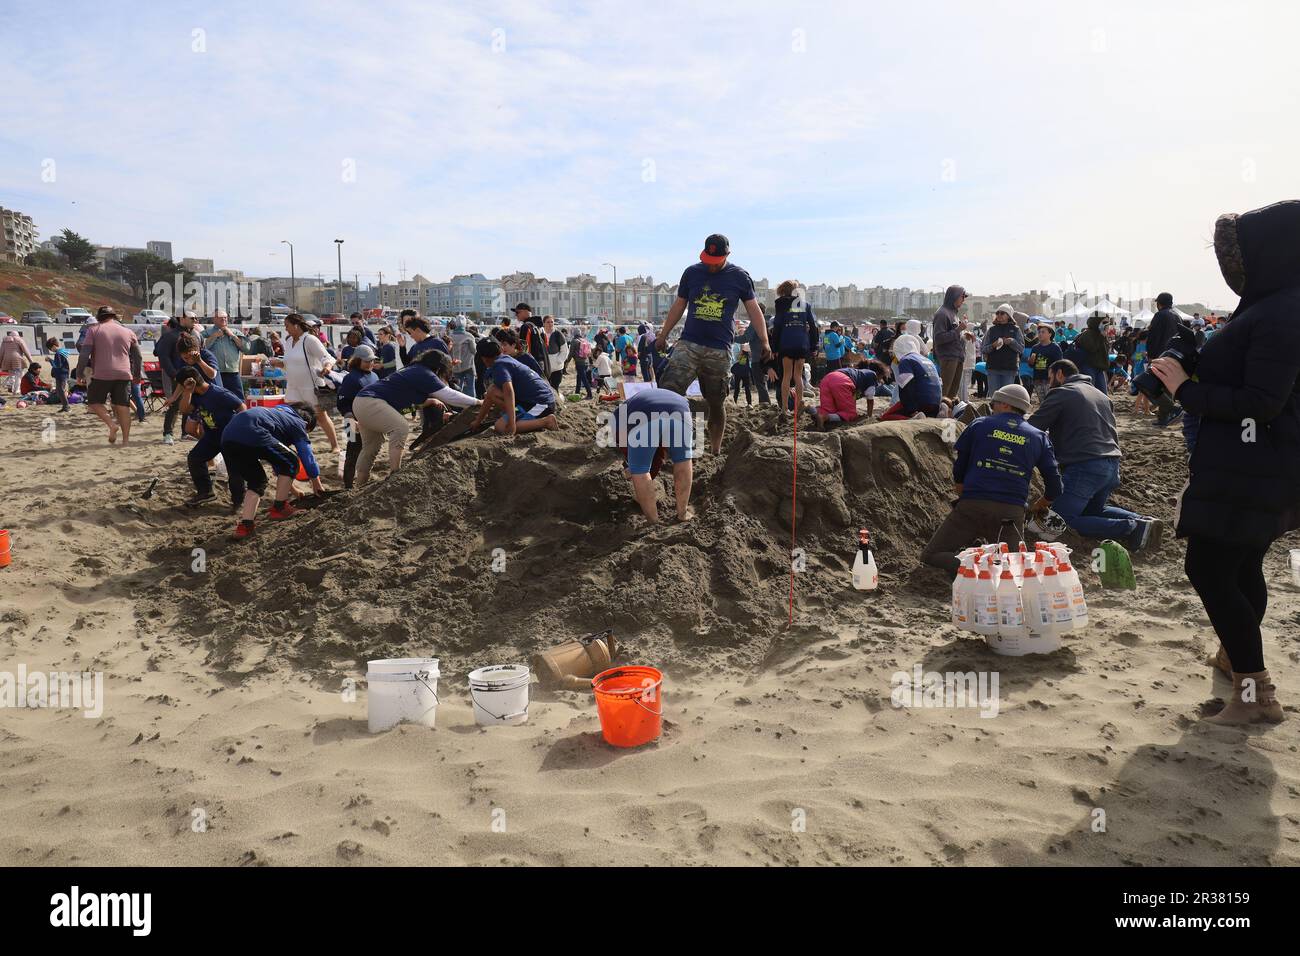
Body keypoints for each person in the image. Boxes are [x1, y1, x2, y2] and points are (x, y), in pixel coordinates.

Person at [1152, 200, 1300, 724]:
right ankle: (1240, 661)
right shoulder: (1272, 303)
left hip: (1253, 468)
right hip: (1257, 465)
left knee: (1209, 568)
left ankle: (1255, 695)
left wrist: (1187, 390)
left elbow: (1263, 402)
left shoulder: (1282, 310)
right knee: (1240, 566)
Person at [920, 384, 1062, 573]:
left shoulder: (979, 425)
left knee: (932, 555)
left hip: (972, 505)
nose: (992, 408)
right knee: (1017, 568)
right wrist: (1040, 505)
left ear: (1005, 404)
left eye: (994, 403)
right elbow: (1055, 485)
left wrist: (964, 495)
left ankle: (973, 566)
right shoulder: (1039, 437)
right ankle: (994, 569)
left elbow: (959, 469)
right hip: (1011, 512)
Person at [655, 234, 772, 454]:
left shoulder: (739, 277)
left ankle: (715, 449)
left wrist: (765, 340)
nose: (711, 266)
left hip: (719, 349)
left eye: (715, 261)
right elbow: (679, 305)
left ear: (726, 255)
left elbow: (754, 310)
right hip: (689, 343)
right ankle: (668, 444)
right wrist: (663, 335)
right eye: (708, 260)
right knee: (667, 390)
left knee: (716, 402)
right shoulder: (692, 273)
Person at [1028, 360, 1160, 550]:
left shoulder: (1062, 393)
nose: (1049, 383)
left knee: (1061, 522)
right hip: (1112, 463)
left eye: (1050, 378)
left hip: (1084, 466)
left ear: (1059, 374)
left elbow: (1032, 428)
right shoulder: (1101, 395)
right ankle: (1143, 521)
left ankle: (1131, 527)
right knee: (1093, 511)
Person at [351, 350, 479, 486]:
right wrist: (478, 402)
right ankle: (395, 474)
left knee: (371, 447)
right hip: (371, 402)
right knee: (400, 427)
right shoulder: (425, 373)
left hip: (361, 402)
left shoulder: (413, 370)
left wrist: (430, 401)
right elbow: (450, 395)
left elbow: (405, 399)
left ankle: (359, 485)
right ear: (439, 368)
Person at [221, 402, 326, 539]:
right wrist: (316, 484)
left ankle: (245, 526)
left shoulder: (276, 415)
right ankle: (280, 508)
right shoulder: (298, 422)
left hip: (227, 438)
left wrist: (293, 490)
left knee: (257, 481)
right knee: (293, 460)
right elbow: (306, 455)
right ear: (306, 424)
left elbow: (278, 462)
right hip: (252, 432)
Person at [612, 386, 695, 524]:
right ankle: (683, 513)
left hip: (643, 417)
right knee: (683, 460)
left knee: (640, 470)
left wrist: (632, 466)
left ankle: (653, 521)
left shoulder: (619, 414)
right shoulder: (677, 397)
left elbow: (624, 443)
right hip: (680, 411)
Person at [172, 367, 247, 507]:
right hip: (212, 436)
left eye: (182, 386)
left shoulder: (219, 393)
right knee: (195, 458)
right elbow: (183, 409)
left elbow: (241, 407)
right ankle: (206, 492)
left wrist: (239, 430)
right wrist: (187, 392)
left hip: (230, 437)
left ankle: (238, 502)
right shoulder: (195, 395)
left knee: (234, 471)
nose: (181, 389)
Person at [75, 306, 143, 445]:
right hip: (124, 373)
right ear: (114, 316)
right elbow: (138, 356)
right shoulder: (128, 332)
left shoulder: (93, 330)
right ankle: (126, 441)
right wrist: (136, 374)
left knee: (94, 402)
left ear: (99, 317)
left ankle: (111, 424)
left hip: (101, 374)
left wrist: (79, 373)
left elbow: (84, 354)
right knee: (123, 407)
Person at [271, 312, 339, 452]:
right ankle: (299, 445)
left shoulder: (310, 340)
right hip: (293, 386)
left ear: (296, 325)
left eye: (287, 326)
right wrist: (278, 363)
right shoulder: (289, 341)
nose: (285, 329)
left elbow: (326, 357)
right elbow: (288, 363)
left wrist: (327, 367)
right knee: (293, 417)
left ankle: (335, 445)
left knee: (321, 417)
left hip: (311, 385)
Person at [471, 336, 558, 435]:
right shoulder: (504, 359)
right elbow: (490, 397)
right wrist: (478, 421)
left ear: (484, 358)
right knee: (492, 390)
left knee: (500, 426)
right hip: (529, 400)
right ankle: (517, 415)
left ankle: (546, 421)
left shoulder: (499, 366)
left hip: (541, 403)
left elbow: (509, 392)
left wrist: (512, 424)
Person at [771, 280, 818, 417]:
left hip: (786, 342)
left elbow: (778, 326)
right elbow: (813, 326)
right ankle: (799, 405)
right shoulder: (805, 305)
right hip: (802, 342)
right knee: (798, 376)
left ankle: (785, 408)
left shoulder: (780, 304)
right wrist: (814, 345)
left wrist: (774, 347)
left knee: (786, 375)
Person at [337, 345, 378, 489]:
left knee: (367, 451)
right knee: (352, 452)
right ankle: (348, 485)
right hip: (351, 420)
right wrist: (350, 419)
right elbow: (342, 401)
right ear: (357, 361)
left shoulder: (374, 375)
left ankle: (362, 480)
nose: (370, 364)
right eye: (367, 361)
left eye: (372, 360)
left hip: (369, 420)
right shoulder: (350, 378)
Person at [810, 358, 890, 430]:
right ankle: (825, 417)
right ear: (878, 373)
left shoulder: (857, 373)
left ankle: (810, 409)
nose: (880, 381)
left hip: (827, 379)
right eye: (881, 377)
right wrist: (869, 416)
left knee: (828, 409)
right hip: (841, 381)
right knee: (850, 414)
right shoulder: (872, 376)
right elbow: (870, 399)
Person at [155, 310, 197, 444]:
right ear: (182, 318)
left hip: (191, 375)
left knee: (189, 403)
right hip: (177, 375)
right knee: (174, 405)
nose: (195, 320)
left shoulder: (193, 335)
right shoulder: (171, 336)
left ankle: (185, 432)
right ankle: (168, 433)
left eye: (196, 318)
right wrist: (174, 374)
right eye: (192, 318)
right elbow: (163, 356)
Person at [879, 334, 941, 420]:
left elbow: (906, 386)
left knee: (886, 416)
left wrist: (911, 410)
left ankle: (914, 418)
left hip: (920, 403)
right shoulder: (927, 360)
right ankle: (938, 412)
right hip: (936, 403)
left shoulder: (906, 360)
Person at [931, 285, 969, 399]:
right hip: (948, 357)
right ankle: (940, 414)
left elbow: (953, 335)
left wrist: (963, 334)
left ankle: (948, 412)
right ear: (954, 296)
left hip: (956, 356)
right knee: (945, 392)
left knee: (952, 393)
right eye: (962, 296)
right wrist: (959, 329)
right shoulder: (942, 313)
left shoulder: (952, 313)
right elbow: (939, 338)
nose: (963, 300)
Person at [981, 305, 1024, 395]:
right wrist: (993, 345)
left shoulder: (1016, 330)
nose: (999, 315)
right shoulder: (991, 330)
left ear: (1009, 315)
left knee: (1006, 398)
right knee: (994, 397)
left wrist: (1012, 342)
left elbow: (1021, 349)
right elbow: (983, 349)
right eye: (997, 313)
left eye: (1002, 313)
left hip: (1009, 369)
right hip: (993, 368)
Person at [203, 310, 247, 396]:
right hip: (216, 373)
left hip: (233, 372)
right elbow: (202, 347)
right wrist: (214, 336)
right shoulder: (207, 332)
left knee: (238, 398)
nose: (224, 319)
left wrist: (232, 336)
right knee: (218, 398)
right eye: (220, 317)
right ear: (214, 319)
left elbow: (245, 348)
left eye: (225, 317)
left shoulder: (235, 332)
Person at [1071, 312, 1110, 392]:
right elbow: (1092, 348)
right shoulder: (1087, 334)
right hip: (1088, 367)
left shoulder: (1101, 334)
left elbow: (1105, 351)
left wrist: (1103, 336)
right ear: (1097, 321)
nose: (1107, 325)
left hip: (1099, 368)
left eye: (1108, 322)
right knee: (1089, 393)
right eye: (1104, 322)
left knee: (1103, 394)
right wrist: (1102, 335)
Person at [1027, 324, 1063, 404]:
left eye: (1043, 332)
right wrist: (1031, 361)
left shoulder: (1055, 348)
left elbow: (1059, 364)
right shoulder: (1035, 348)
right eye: (1039, 332)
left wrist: (1055, 378)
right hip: (1038, 379)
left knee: (1051, 402)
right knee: (1042, 403)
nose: (1040, 334)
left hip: (1050, 380)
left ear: (1050, 334)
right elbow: (1031, 365)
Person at [449, 318, 477, 396]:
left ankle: (458, 406)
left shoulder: (450, 336)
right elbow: (474, 351)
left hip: (455, 367)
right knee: (470, 388)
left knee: (457, 388)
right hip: (468, 366)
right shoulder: (469, 336)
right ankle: (471, 406)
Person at [45, 336, 72, 411]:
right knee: (60, 390)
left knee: (60, 390)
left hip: (61, 374)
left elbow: (57, 365)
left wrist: (50, 360)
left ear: (53, 346)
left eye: (50, 349)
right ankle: (65, 406)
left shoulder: (58, 354)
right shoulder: (62, 352)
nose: (51, 350)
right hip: (63, 374)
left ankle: (66, 406)